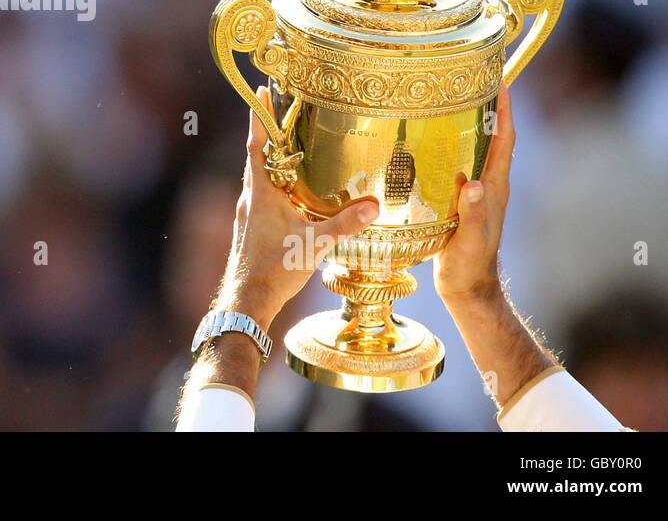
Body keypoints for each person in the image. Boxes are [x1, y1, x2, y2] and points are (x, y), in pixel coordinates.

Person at [176, 85, 625, 432]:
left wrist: (247, 296)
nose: (207, 278)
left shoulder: (393, 425)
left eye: (223, 257)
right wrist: (478, 296)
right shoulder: (132, 412)